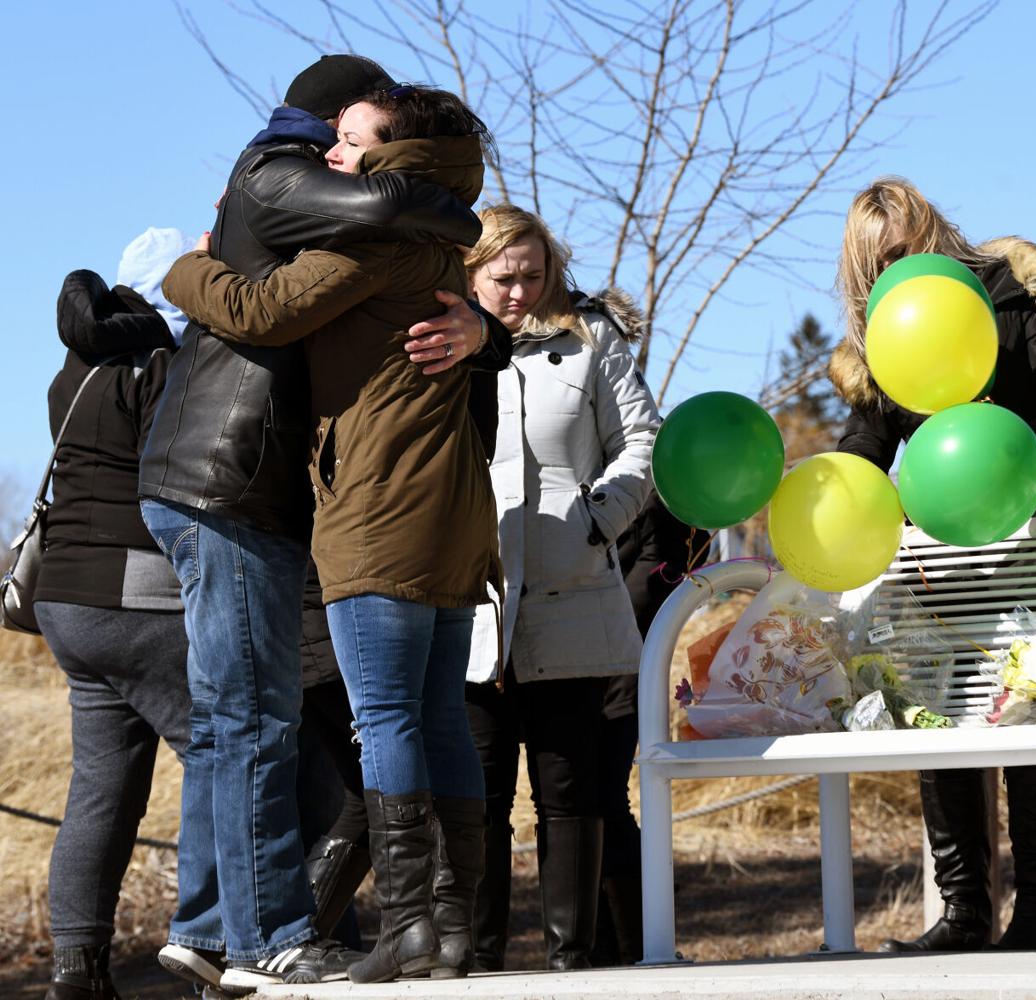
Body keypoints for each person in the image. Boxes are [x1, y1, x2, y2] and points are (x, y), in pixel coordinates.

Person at [138, 55, 494, 997]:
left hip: (355, 501)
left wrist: (179, 265)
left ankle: (313, 930)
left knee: (331, 719)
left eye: (353, 138)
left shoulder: (381, 234)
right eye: (334, 131)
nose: (332, 151)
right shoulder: (415, 235)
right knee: (402, 715)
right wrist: (483, 323)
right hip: (381, 501)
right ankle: (415, 931)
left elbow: (260, 307)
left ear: (399, 154)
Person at [828, 177, 1036, 953]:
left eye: (908, 247)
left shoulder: (1011, 296)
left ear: (936, 234)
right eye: (879, 263)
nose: (900, 269)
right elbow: (867, 449)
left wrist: (1001, 448)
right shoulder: (882, 342)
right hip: (944, 566)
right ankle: (964, 913)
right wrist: (835, 499)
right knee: (938, 720)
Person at [461, 203, 661, 971]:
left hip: (570, 586)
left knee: (571, 792)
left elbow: (640, 438)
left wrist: (598, 516)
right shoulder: (440, 339)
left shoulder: (590, 339)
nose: (519, 293)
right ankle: (475, 963)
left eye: (534, 276)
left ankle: (572, 961)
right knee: (476, 799)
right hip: (472, 601)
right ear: (470, 273)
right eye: (503, 279)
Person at [32, 247, 186, 1000]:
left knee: (102, 788)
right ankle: (230, 937)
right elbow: (173, 486)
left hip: (63, 599)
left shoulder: (74, 370)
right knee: (236, 754)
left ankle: (76, 967)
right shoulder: (156, 364)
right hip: (139, 595)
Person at [591, 494, 703, 966]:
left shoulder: (664, 493)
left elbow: (654, 588)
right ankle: (591, 948)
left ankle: (637, 946)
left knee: (603, 800)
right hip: (564, 655)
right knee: (573, 804)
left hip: (617, 660)